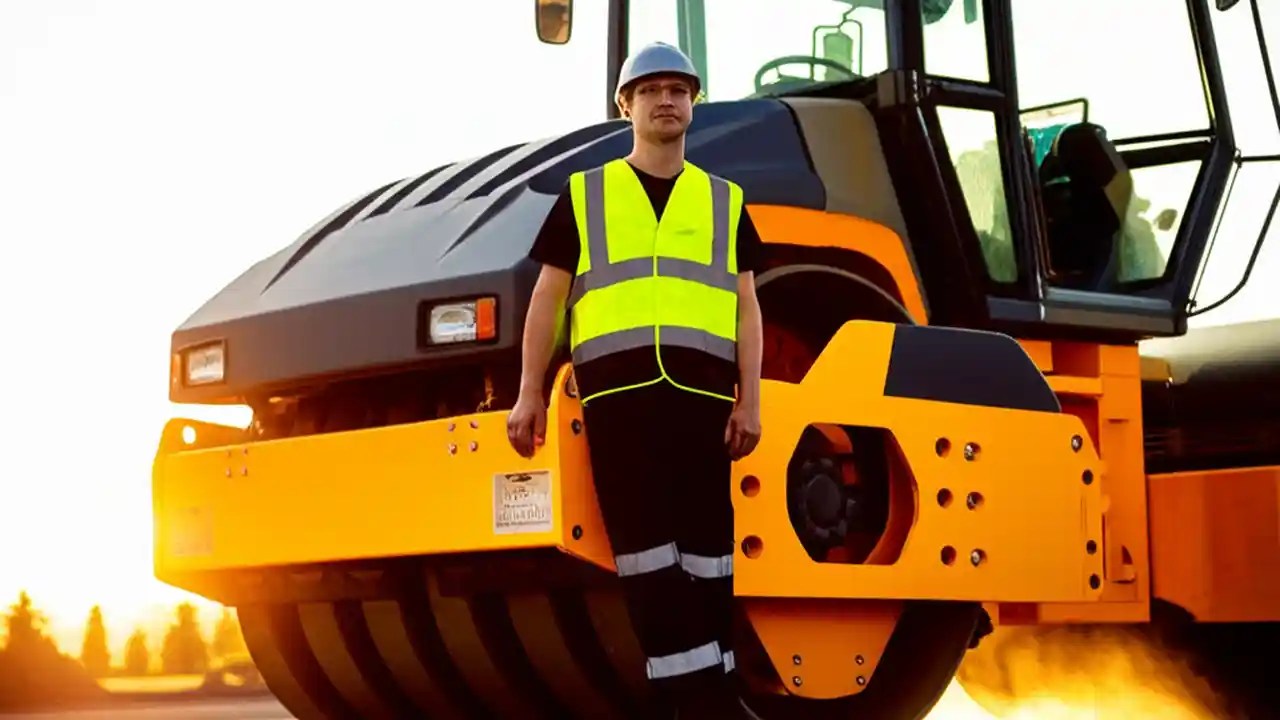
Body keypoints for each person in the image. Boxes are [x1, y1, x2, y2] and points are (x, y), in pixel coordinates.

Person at [506, 41, 765, 718]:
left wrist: (753, 399)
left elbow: (746, 305)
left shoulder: (726, 200)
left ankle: (713, 694)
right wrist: (530, 388)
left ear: (694, 104)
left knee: (710, 558)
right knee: (647, 556)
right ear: (625, 105)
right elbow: (547, 297)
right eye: (650, 90)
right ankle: (706, 703)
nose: (666, 101)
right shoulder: (586, 194)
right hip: (619, 401)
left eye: (679, 90)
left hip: (705, 402)